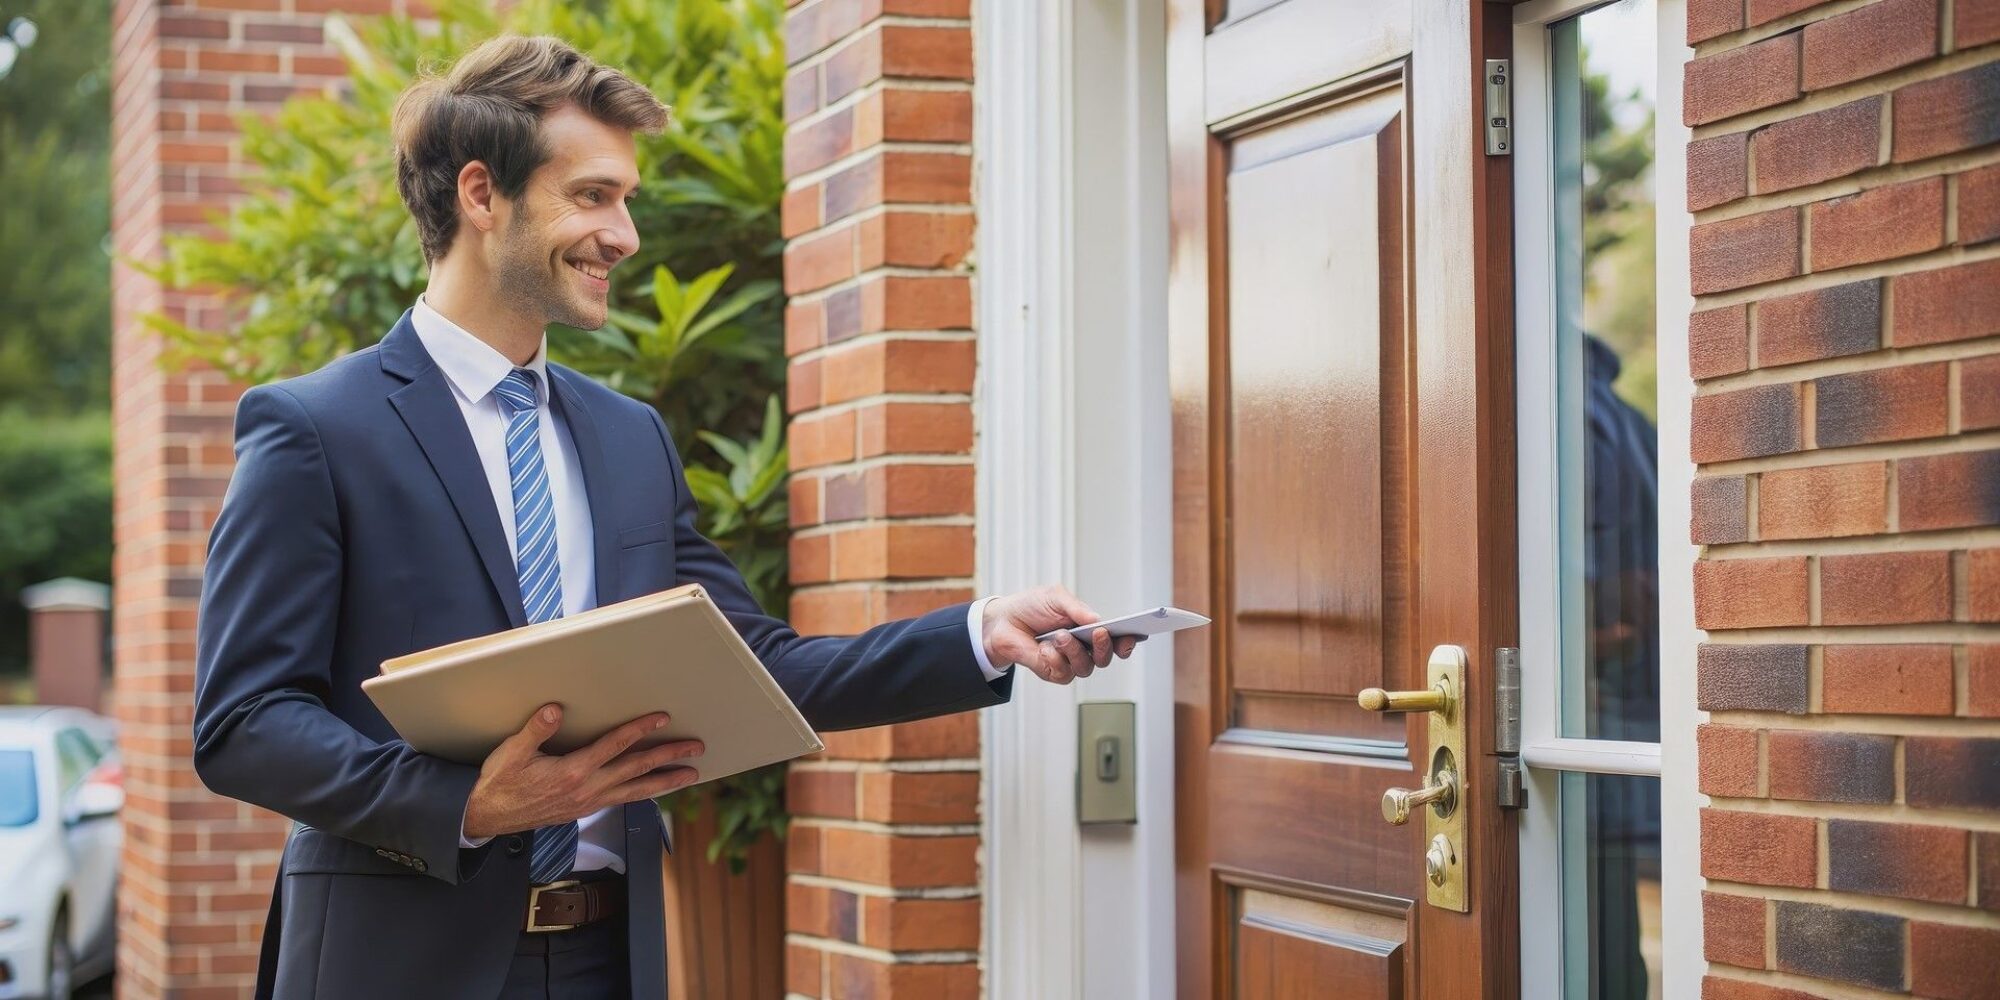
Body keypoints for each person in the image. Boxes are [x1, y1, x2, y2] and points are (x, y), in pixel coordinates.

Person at [191, 34, 1135, 1000]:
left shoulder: (628, 436)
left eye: (625, 200)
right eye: (592, 195)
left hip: (612, 957)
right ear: (482, 195)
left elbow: (757, 666)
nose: (625, 234)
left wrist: (982, 635)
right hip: (392, 964)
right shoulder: (314, 426)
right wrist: (465, 802)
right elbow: (245, 721)